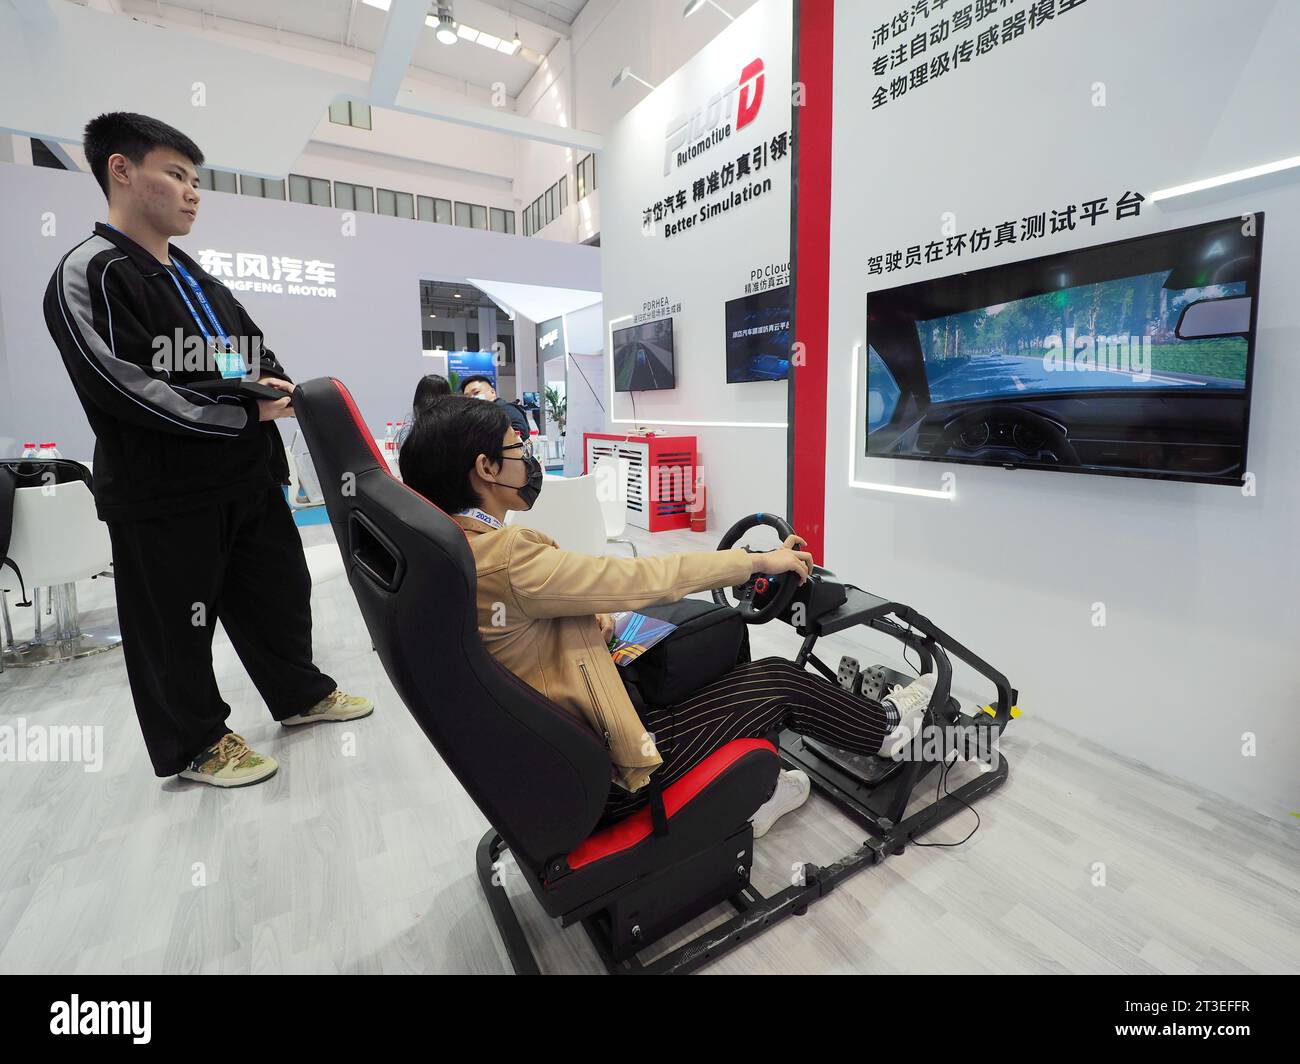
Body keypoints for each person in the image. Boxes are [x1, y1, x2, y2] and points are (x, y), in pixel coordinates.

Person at [398, 396, 937, 833]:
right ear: (486, 468)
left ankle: (762, 785)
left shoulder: (450, 555)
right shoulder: (507, 557)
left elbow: (523, 626)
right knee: (778, 680)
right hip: (606, 780)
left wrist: (586, 621)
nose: (528, 459)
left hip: (547, 765)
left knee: (712, 642)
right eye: (518, 448)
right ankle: (891, 730)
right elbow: (645, 579)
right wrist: (756, 562)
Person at [43, 112, 373, 789]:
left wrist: (272, 386)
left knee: (280, 592)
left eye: (196, 180)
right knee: (174, 627)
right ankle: (196, 743)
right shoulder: (91, 272)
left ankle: (300, 695)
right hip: (162, 493)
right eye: (176, 175)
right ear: (122, 170)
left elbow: (248, 349)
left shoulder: (194, 277)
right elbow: (122, 385)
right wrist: (239, 412)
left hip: (247, 478)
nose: (192, 192)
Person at [459, 374, 531, 441]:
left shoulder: (505, 409)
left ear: (492, 392)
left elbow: (520, 433)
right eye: (467, 396)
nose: (472, 398)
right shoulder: (481, 414)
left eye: (476, 393)